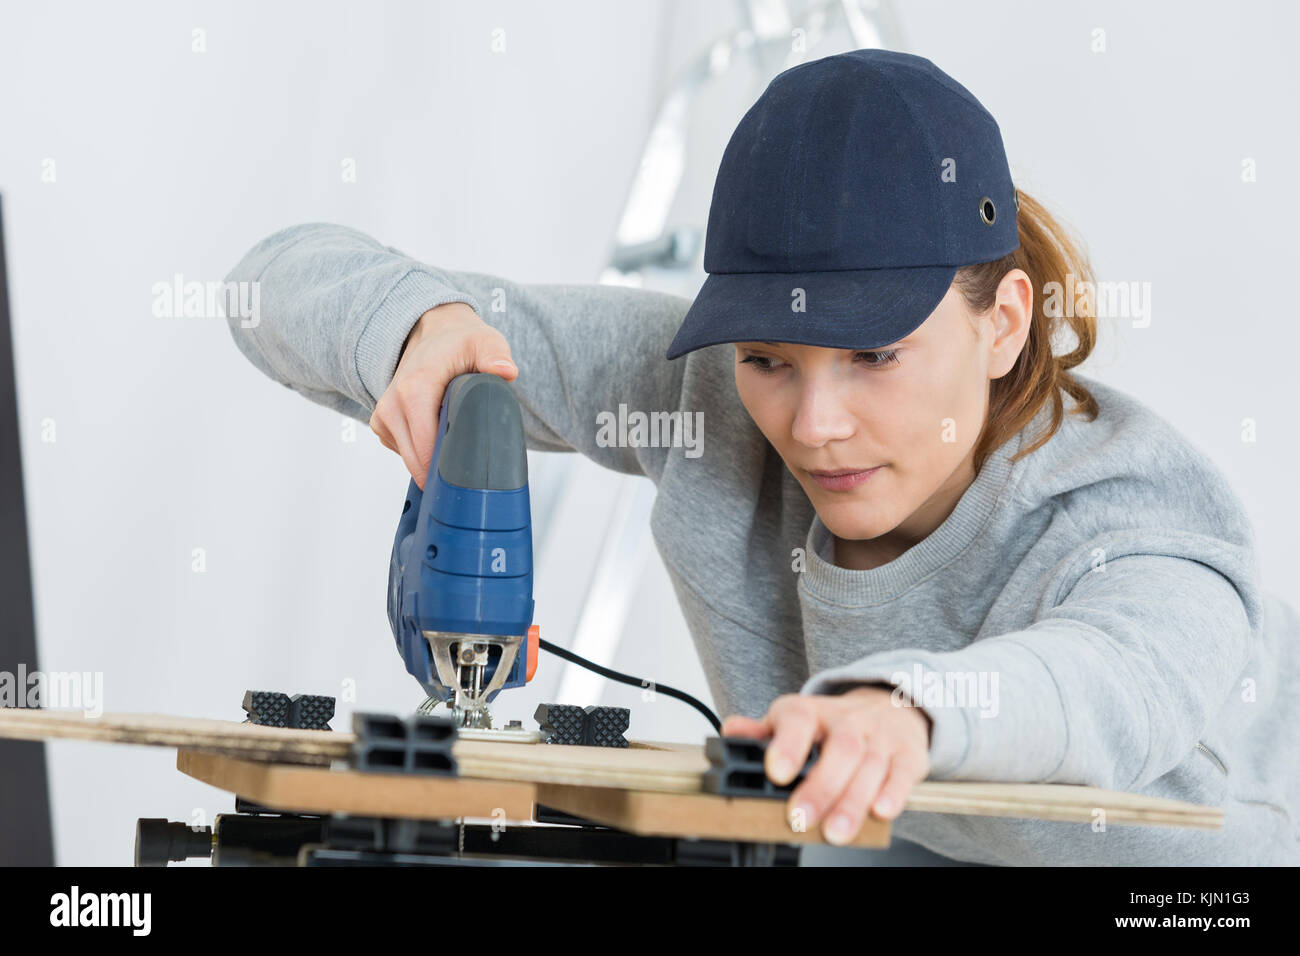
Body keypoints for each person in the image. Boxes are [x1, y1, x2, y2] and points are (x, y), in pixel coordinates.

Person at [223, 48, 1299, 865]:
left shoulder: (1140, 522)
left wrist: (905, 711)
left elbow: (1104, 686)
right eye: (769, 356)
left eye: (875, 352)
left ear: (1004, 320)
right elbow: (269, 281)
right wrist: (422, 328)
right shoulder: (711, 401)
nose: (813, 423)